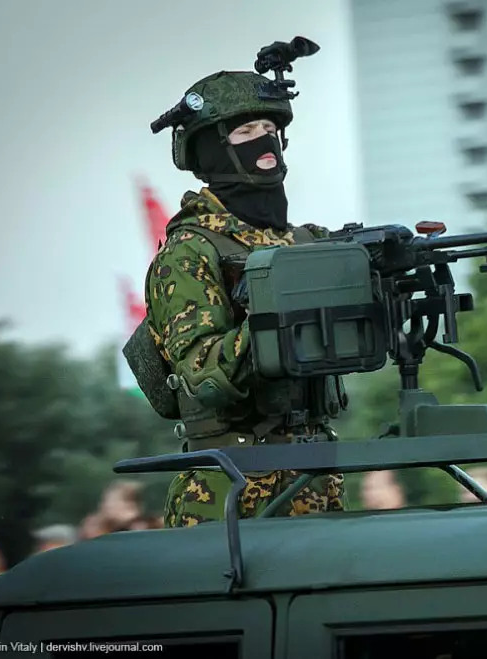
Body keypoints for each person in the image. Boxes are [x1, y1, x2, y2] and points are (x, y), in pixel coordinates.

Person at [127, 64, 346, 527]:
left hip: (314, 484)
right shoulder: (189, 252)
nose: (264, 143)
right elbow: (204, 376)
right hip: (229, 494)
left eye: (270, 129)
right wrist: (279, 314)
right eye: (246, 131)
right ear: (212, 147)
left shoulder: (305, 244)